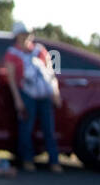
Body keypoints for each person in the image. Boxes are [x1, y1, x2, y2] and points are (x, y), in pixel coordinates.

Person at [4, 21, 62, 173]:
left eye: (27, 33)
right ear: (17, 36)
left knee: (49, 128)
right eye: (22, 34)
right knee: (26, 127)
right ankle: (27, 160)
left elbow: (50, 73)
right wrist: (17, 99)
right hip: (26, 94)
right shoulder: (12, 53)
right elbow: (11, 79)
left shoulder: (39, 50)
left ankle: (54, 160)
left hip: (44, 94)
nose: (25, 36)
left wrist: (55, 92)